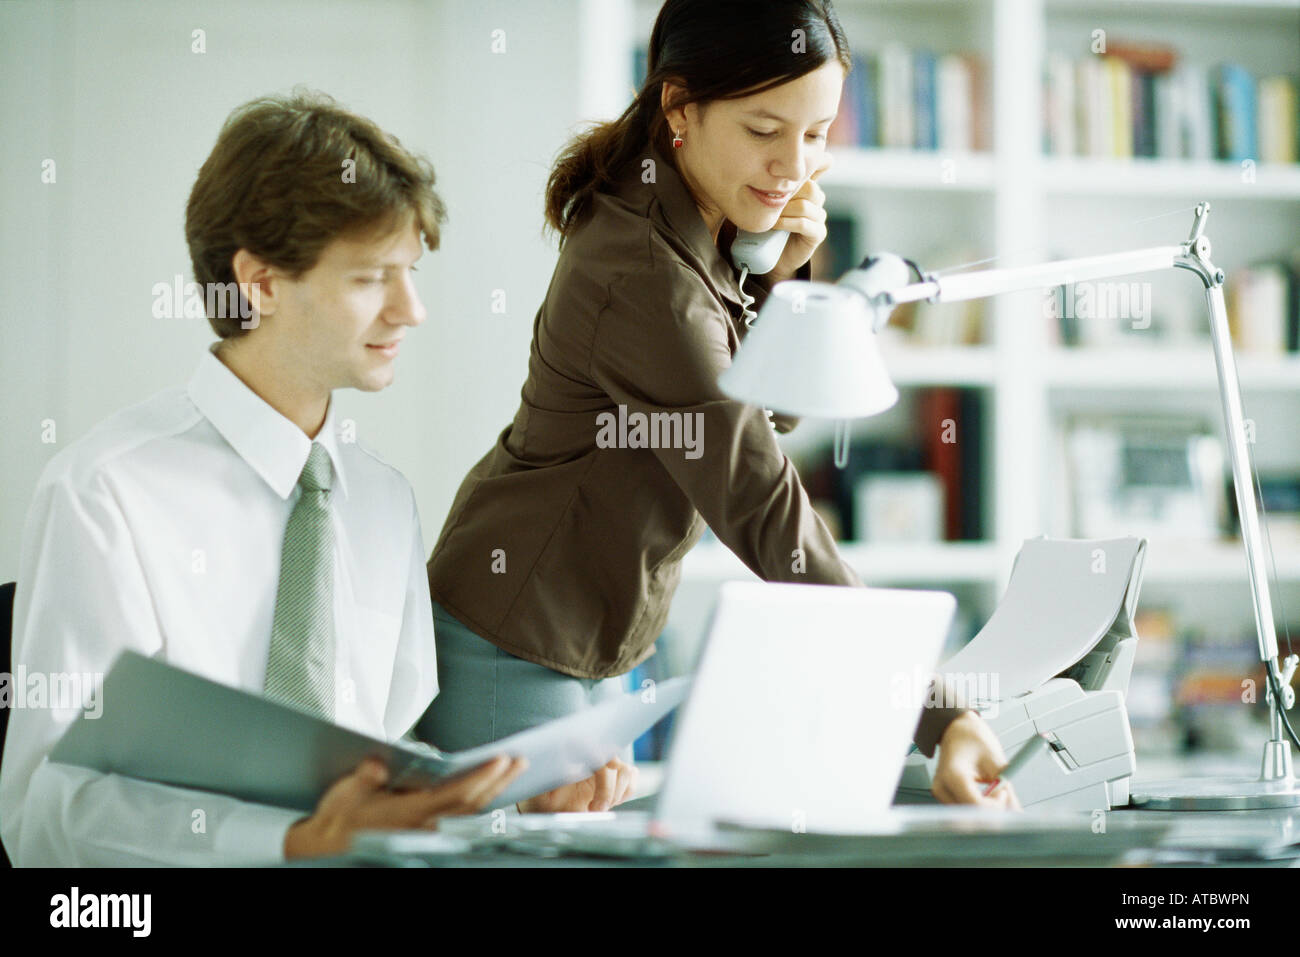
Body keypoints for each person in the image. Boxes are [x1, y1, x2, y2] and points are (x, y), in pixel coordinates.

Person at [419, 0, 1018, 808]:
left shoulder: (696, 226)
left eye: (816, 135)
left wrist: (775, 269)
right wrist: (940, 715)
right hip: (510, 637)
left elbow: (769, 414)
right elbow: (758, 496)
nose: (792, 167)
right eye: (764, 131)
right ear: (680, 108)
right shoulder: (647, 275)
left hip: (590, 639)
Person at [0, 90, 617, 868]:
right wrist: (290, 845)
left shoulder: (382, 500)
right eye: (370, 279)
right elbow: (46, 811)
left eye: (411, 273)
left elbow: (386, 763)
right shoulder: (104, 493)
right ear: (258, 283)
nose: (412, 309)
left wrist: (513, 803)